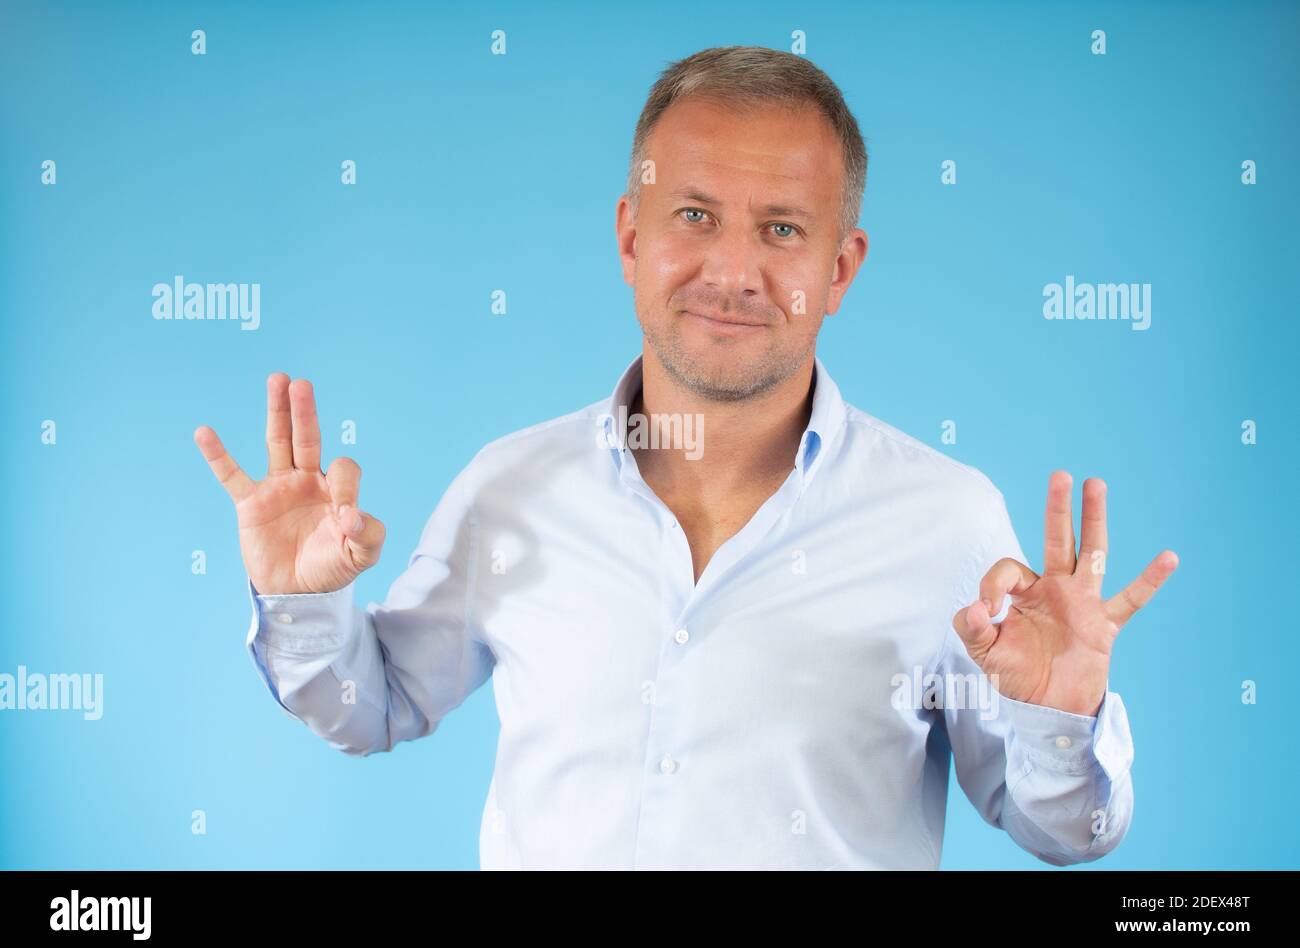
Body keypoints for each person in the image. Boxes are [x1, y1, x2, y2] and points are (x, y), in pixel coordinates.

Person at [193, 45, 1177, 869]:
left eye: (782, 230)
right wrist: (302, 606)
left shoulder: (945, 521)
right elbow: (377, 705)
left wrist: (1059, 712)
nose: (731, 273)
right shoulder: (511, 488)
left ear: (840, 270)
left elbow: (1063, 828)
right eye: (693, 216)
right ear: (631, 236)